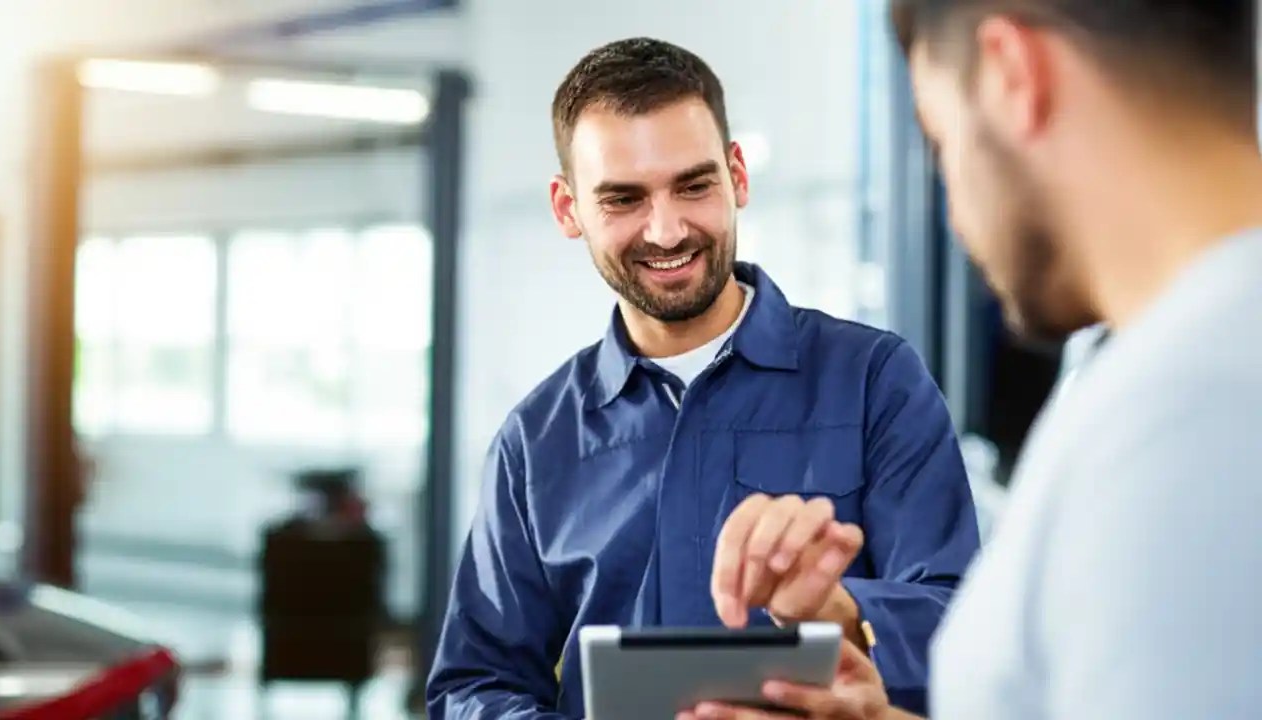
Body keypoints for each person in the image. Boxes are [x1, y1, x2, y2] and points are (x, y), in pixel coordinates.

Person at [685, 1, 1262, 718]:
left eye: (940, 141)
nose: (957, 215)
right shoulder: (1156, 371)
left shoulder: (1190, 410)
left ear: (1011, 74)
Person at [426, 37, 980, 718]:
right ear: (569, 209)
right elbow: (475, 685)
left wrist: (836, 610)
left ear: (736, 176)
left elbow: (962, 624)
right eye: (623, 199)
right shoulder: (535, 443)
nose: (666, 231)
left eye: (693, 186)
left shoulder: (874, 382)